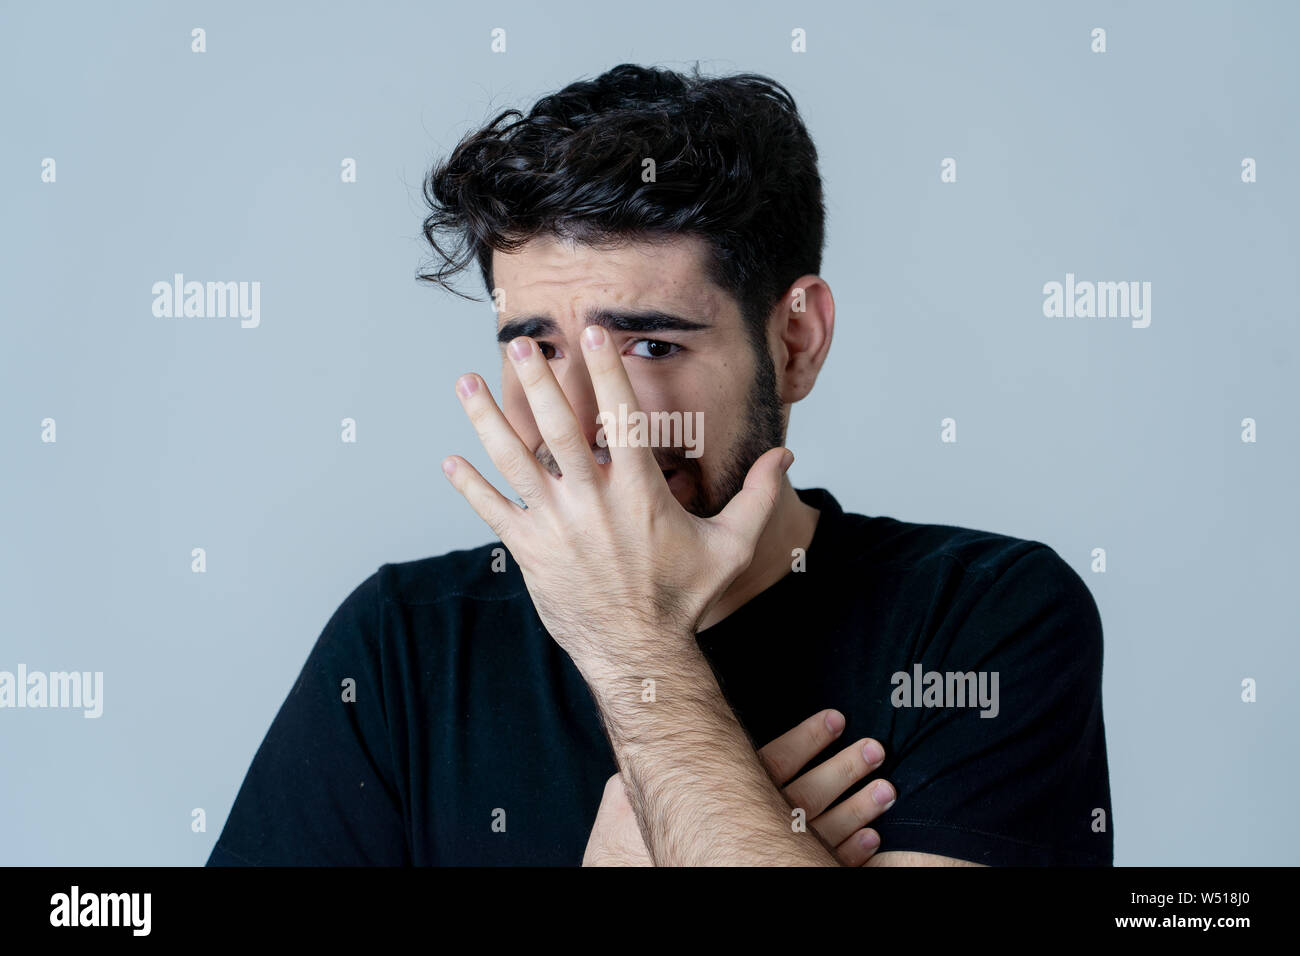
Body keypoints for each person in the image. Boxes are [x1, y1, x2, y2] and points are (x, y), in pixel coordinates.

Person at [207, 63, 1112, 867]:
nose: (587, 422)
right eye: (538, 350)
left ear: (795, 340)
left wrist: (632, 646)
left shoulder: (985, 618)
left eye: (645, 348)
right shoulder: (401, 645)